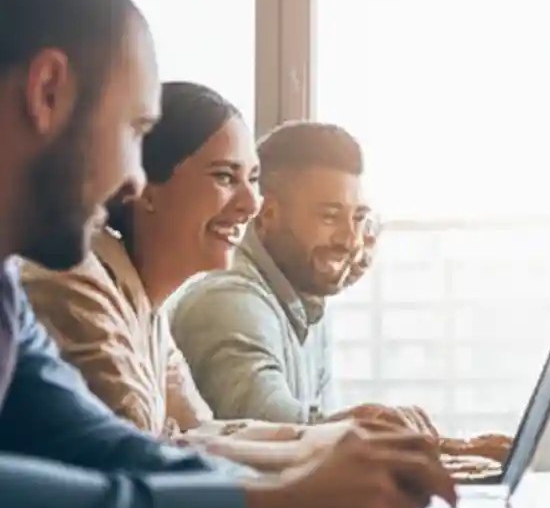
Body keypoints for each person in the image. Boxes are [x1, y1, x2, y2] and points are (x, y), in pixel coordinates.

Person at [0, 0, 453, 508]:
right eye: (133, 132)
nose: (134, 181)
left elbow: (98, 443)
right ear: (47, 93)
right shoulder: (73, 281)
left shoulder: (7, 296)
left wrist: (282, 496)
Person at [20, 81, 394, 472]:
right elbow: (142, 458)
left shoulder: (145, 303)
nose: (252, 204)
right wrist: (318, 450)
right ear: (142, 185)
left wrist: (343, 433)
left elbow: (201, 429)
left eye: (252, 179)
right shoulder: (78, 284)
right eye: (225, 177)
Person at [170, 121, 510, 462]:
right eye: (330, 217)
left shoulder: (304, 297)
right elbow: (279, 433)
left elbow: (320, 433)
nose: (351, 240)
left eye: (358, 218)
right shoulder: (230, 302)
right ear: (267, 215)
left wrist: (456, 451)